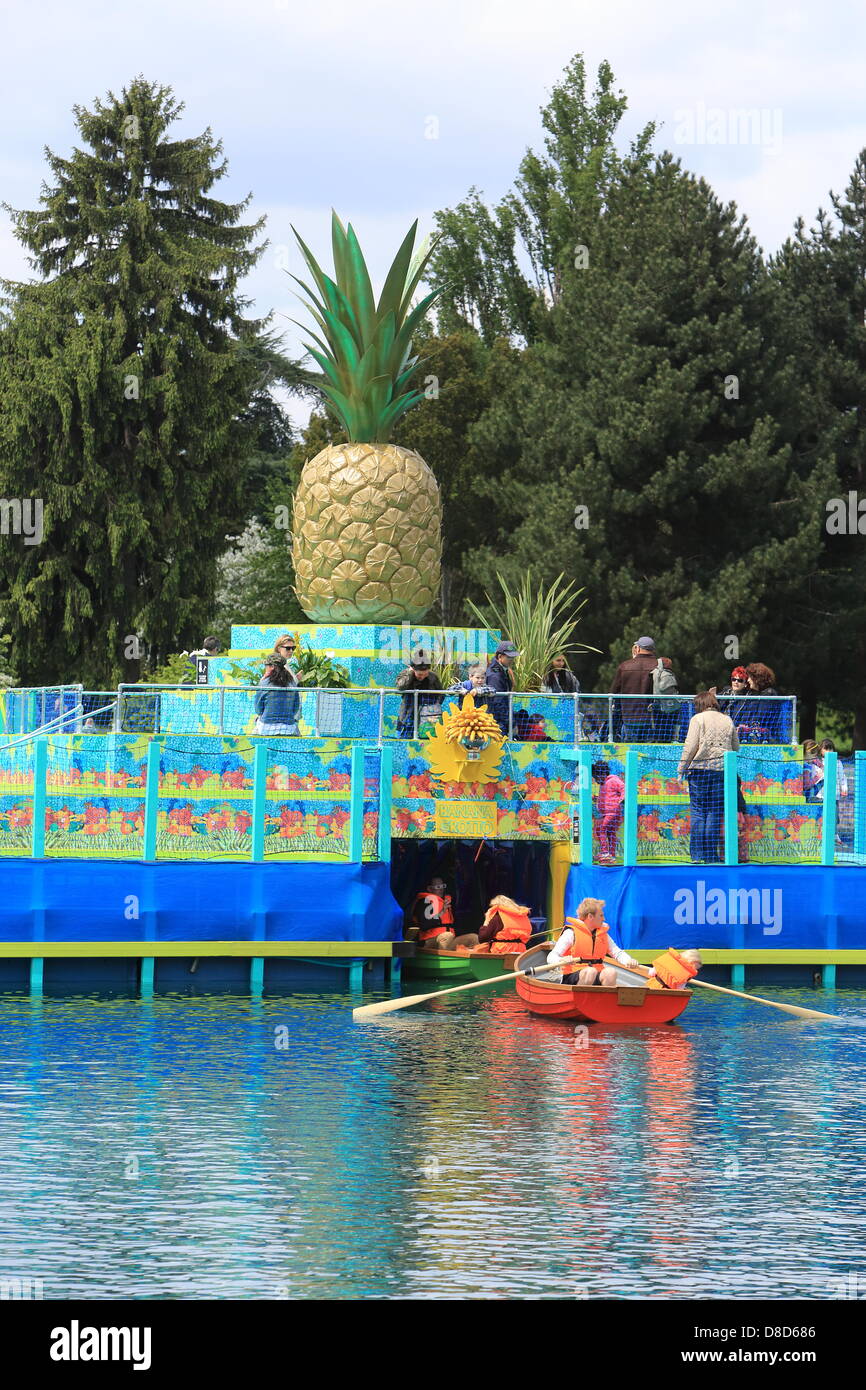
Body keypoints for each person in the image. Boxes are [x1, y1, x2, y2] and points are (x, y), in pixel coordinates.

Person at [678, 690, 739, 864]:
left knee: (698, 811)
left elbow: (690, 747)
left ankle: (697, 855)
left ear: (700, 705)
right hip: (721, 771)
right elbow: (736, 747)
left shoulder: (697, 719)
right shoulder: (727, 719)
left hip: (699, 770)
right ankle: (711, 855)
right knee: (714, 811)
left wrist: (681, 768)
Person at [539, 898, 641, 985]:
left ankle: (601, 1004)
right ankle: (581, 1001)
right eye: (601, 915)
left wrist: (629, 960)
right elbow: (551, 957)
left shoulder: (603, 935)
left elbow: (617, 952)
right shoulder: (571, 933)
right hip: (572, 976)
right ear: (590, 917)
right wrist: (561, 960)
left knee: (611, 972)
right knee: (590, 972)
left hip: (595, 973)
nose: (604, 919)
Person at [611, 636, 676, 742]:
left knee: (629, 752)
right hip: (653, 718)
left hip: (629, 718)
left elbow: (614, 692)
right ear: (653, 649)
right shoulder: (659, 666)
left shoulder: (625, 666)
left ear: (638, 648)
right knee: (649, 754)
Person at [408, 877, 479, 951]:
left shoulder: (445, 902)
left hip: (447, 938)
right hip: (429, 941)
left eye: (443, 886)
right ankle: (444, 961)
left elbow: (452, 925)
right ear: (429, 889)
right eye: (438, 887)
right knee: (447, 935)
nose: (441, 889)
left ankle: (470, 961)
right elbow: (425, 924)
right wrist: (441, 912)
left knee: (473, 937)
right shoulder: (425, 901)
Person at [395, 648, 442, 737]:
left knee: (426, 735)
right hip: (408, 712)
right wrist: (409, 674)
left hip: (427, 714)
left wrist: (433, 707)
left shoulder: (433, 677)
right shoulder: (406, 673)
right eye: (420, 674)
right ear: (413, 669)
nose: (422, 677)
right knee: (406, 736)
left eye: (425, 674)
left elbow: (440, 693)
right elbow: (400, 686)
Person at [254, 653, 300, 735]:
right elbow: (295, 708)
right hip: (288, 728)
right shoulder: (292, 682)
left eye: (266, 665)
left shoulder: (264, 683)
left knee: (256, 722)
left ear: (272, 667)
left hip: (266, 728)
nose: (265, 668)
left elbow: (258, 709)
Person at [484, 640, 519, 735]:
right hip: (496, 721)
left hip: (500, 719)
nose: (512, 659)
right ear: (500, 656)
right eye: (509, 657)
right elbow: (498, 702)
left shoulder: (502, 669)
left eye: (513, 657)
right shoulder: (495, 675)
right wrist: (511, 724)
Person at [593, 760, 625, 862]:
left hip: (613, 812)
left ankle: (605, 852)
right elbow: (608, 795)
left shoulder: (613, 780)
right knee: (610, 833)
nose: (596, 780)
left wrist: (622, 799)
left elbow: (623, 787)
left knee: (602, 829)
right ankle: (612, 855)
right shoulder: (603, 783)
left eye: (596, 778)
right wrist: (596, 798)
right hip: (606, 812)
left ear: (602, 774)